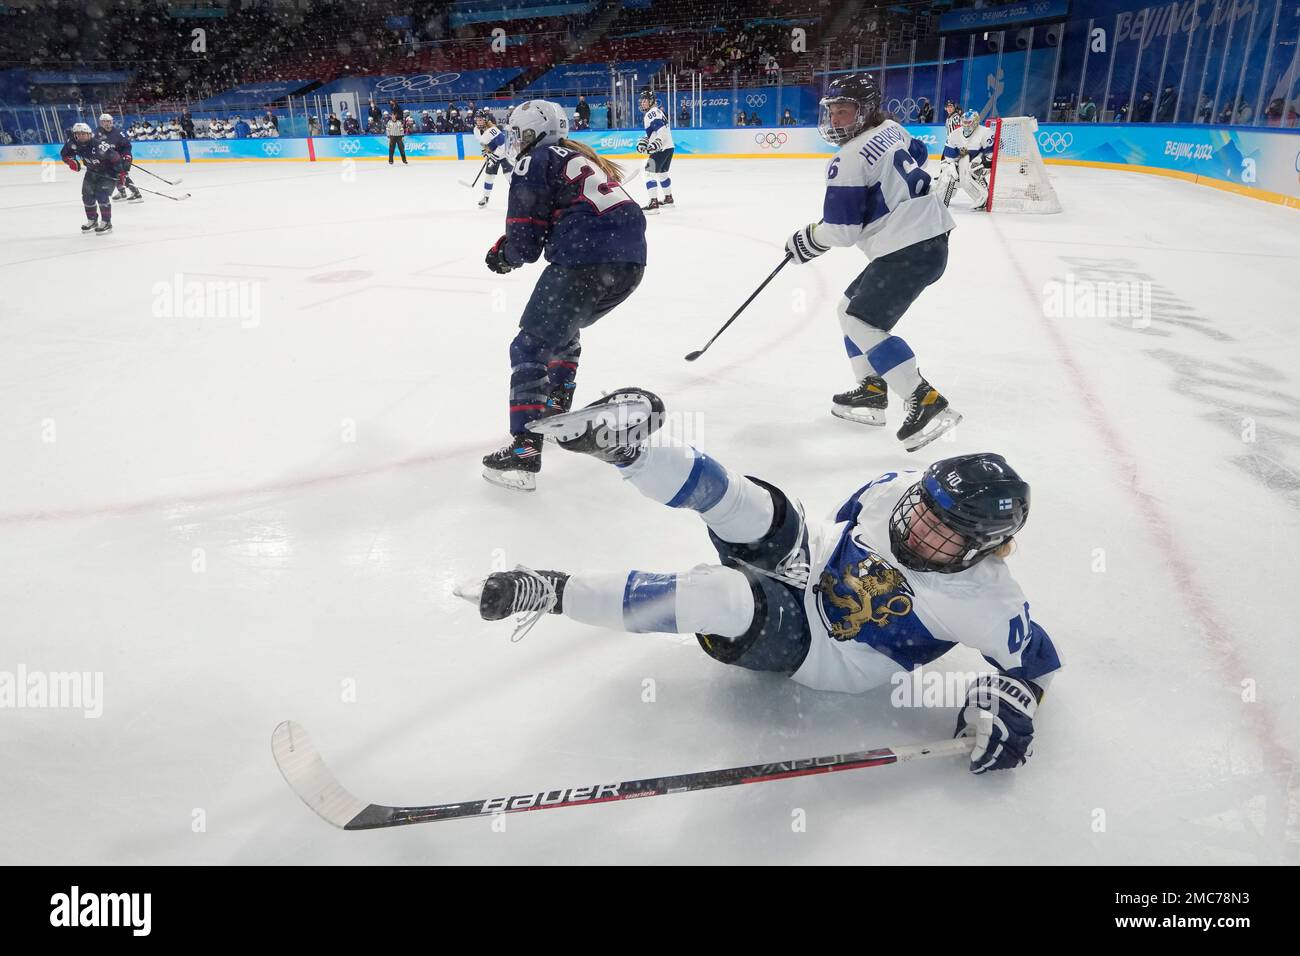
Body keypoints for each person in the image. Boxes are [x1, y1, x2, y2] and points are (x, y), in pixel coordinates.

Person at [458, 387, 1062, 777]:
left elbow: (1034, 666)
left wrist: (1003, 706)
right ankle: (629, 452)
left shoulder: (988, 601)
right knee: (748, 503)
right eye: (921, 505)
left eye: (939, 527)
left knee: (719, 594)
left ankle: (551, 591)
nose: (915, 522)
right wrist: (794, 554)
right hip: (813, 563)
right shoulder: (892, 493)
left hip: (827, 650)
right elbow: (841, 525)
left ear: (982, 547)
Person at [784, 73, 960, 451]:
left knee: (863, 324)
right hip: (929, 239)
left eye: (844, 112)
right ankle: (872, 389)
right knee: (848, 310)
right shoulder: (893, 128)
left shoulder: (846, 160)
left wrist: (807, 240)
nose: (835, 121)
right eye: (831, 112)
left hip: (908, 248)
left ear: (865, 111)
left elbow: (842, 231)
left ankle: (925, 400)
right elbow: (920, 155)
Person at [479, 100, 647, 492]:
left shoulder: (532, 160)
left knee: (529, 347)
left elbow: (525, 245)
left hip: (586, 257)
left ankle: (523, 453)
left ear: (529, 134)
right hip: (631, 262)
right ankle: (556, 405)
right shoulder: (574, 155)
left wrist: (503, 254)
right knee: (562, 329)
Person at [60, 121, 126, 235]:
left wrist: (121, 174)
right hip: (91, 171)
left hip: (108, 173)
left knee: (102, 195)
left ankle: (106, 222)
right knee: (87, 196)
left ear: (89, 134)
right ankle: (92, 220)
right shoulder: (72, 143)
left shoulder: (99, 145)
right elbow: (65, 154)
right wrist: (71, 161)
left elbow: (116, 158)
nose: (81, 136)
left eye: (83, 133)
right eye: (78, 134)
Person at [936, 109, 993, 210]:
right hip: (963, 159)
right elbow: (948, 156)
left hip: (979, 163)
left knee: (970, 172)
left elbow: (991, 154)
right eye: (964, 122)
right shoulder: (954, 134)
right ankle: (940, 198)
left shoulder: (985, 132)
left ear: (975, 122)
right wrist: (951, 165)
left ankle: (981, 197)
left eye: (968, 122)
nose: (966, 125)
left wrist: (982, 163)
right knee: (947, 173)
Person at [637, 89, 676, 212]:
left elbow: (661, 130)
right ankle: (668, 199)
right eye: (642, 101)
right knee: (662, 173)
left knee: (648, 173)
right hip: (669, 147)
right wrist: (645, 141)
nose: (643, 103)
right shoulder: (657, 111)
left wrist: (656, 144)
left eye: (645, 101)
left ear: (652, 101)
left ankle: (653, 204)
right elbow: (656, 132)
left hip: (661, 148)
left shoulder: (651, 113)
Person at [96, 113, 142, 203]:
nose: (106, 123)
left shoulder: (118, 133)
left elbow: (127, 146)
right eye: (104, 121)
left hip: (120, 158)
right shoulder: (96, 133)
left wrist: (127, 156)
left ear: (111, 122)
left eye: (108, 121)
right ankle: (122, 193)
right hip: (107, 160)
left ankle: (137, 194)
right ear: (101, 123)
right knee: (113, 176)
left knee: (122, 175)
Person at [473, 110, 511, 207]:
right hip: (493, 155)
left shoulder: (492, 129)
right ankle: (486, 197)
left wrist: (493, 157)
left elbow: (503, 145)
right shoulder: (476, 130)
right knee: (489, 176)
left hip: (504, 155)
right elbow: (483, 143)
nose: (479, 122)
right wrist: (486, 152)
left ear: (485, 120)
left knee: (509, 176)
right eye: (477, 120)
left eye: (481, 120)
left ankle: (518, 195)